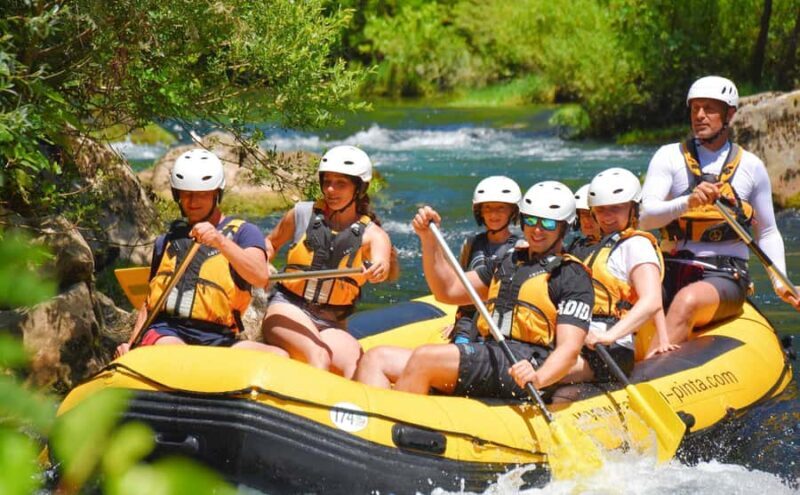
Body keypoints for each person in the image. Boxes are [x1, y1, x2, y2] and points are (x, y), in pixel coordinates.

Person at [390, 181, 594, 398]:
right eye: (531, 220)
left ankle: (396, 428)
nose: (536, 230)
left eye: (548, 224)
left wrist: (539, 378)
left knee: (425, 358)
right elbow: (447, 290)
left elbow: (569, 350)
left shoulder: (572, 275)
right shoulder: (508, 261)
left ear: (565, 226)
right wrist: (428, 239)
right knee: (378, 358)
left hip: (526, 363)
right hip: (492, 351)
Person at [640, 76, 800, 350]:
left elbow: (769, 232)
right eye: (695, 109)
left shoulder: (751, 167)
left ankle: (644, 381)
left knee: (687, 301)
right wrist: (687, 203)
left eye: (709, 108)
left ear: (730, 114)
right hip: (669, 269)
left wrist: (780, 280)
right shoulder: (668, 157)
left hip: (726, 274)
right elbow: (644, 217)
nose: (700, 116)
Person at [354, 176, 521, 388]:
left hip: (486, 335)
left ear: (513, 212)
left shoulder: (517, 251)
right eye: (488, 208)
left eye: (501, 208)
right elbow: (457, 284)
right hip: (466, 326)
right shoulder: (473, 243)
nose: (493, 214)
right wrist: (457, 319)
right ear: (479, 211)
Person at [116, 149, 285, 356]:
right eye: (186, 194)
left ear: (217, 194)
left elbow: (260, 276)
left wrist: (220, 240)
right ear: (178, 195)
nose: (193, 202)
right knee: (180, 353)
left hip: (218, 337)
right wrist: (131, 346)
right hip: (167, 331)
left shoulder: (244, 233)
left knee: (279, 356)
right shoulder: (167, 241)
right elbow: (149, 303)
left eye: (202, 194)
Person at [262, 145, 392, 379]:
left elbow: (382, 264)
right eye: (327, 181)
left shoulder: (374, 235)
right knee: (318, 356)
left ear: (359, 189)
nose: (330, 190)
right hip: (288, 306)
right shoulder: (301, 214)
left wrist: (377, 270)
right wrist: (260, 262)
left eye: (340, 183)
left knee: (356, 370)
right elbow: (270, 244)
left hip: (330, 321)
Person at [562, 168, 673, 383]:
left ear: (633, 208)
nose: (607, 216)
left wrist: (609, 336)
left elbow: (651, 300)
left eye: (616, 209)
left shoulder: (636, 245)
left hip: (610, 349)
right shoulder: (591, 248)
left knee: (546, 371)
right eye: (601, 210)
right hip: (576, 339)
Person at [565, 184, 600, 259]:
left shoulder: (616, 248)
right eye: (582, 214)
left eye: (589, 215)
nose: (585, 220)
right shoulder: (574, 247)